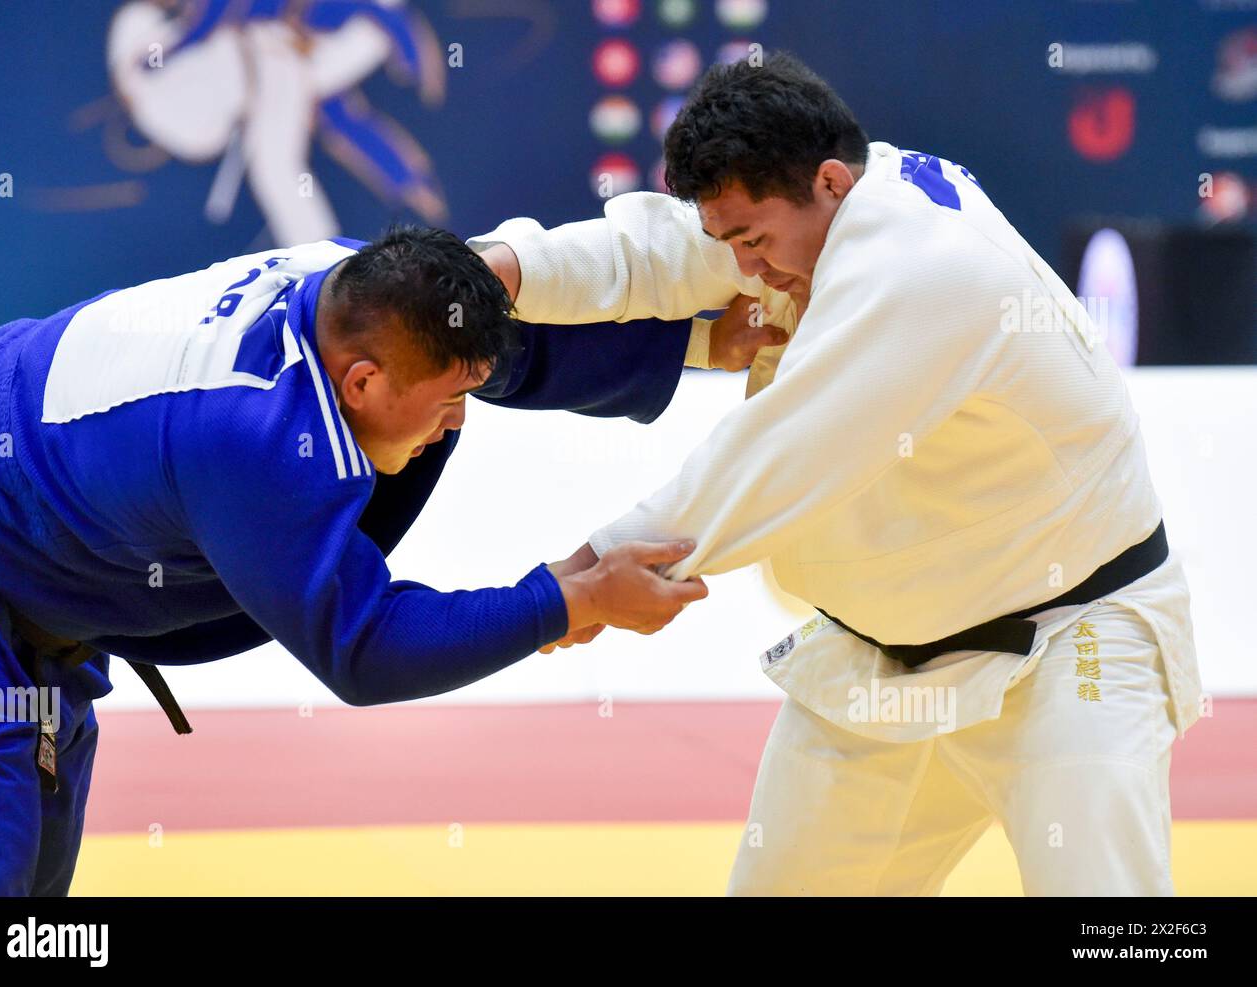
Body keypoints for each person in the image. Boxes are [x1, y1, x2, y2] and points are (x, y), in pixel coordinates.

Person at [472, 52, 1203, 896]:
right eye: (730, 243)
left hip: (1070, 637)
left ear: (827, 182)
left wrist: (584, 578)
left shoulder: (921, 267)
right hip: (885, 653)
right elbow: (658, 249)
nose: (745, 271)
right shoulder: (818, 205)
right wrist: (501, 271)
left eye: (753, 241)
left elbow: (777, 456)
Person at [0, 224, 782, 895]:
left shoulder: (362, 290)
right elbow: (364, 647)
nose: (456, 421)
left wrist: (701, 344)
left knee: (37, 897)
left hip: (32, 547)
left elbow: (497, 348)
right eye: (445, 402)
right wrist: (568, 601)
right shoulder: (257, 442)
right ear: (359, 384)